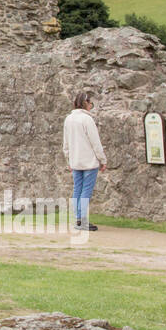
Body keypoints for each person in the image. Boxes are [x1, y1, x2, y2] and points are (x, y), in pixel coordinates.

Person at [62, 91, 107, 231]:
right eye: (90, 103)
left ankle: (78, 219)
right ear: (86, 103)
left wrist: (68, 159)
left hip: (75, 161)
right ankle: (83, 221)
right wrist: (102, 159)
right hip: (88, 161)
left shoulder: (68, 119)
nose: (91, 106)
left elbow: (66, 143)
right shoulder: (87, 119)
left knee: (77, 190)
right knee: (86, 191)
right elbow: (95, 142)